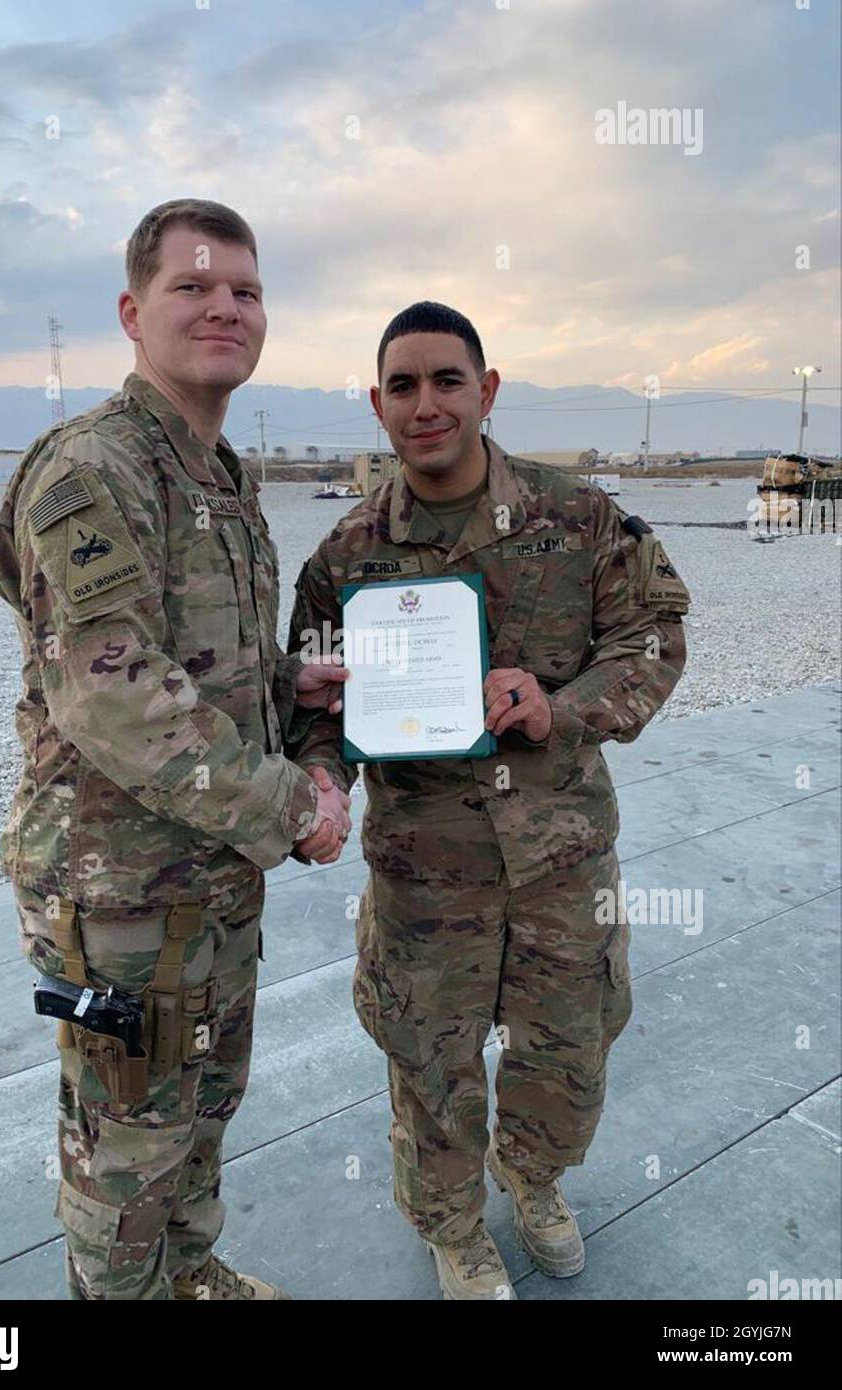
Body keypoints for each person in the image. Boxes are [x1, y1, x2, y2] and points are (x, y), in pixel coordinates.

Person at [287, 301, 691, 1300]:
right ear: (379, 405)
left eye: (446, 380)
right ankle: (454, 1227)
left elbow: (653, 637)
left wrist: (559, 706)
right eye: (402, 386)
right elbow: (310, 699)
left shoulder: (581, 517)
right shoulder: (342, 561)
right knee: (432, 1068)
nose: (426, 404)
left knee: (570, 1049)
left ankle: (537, 1176)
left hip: (562, 861)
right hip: (428, 878)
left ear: (487, 389)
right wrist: (323, 775)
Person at [0, 198, 350, 1301]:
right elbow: (118, 698)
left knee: (200, 1103)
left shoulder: (221, 474)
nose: (224, 308)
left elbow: (202, 655)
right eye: (194, 287)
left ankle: (186, 1278)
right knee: (128, 1145)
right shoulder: (93, 468)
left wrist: (293, 682)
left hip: (209, 878)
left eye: (244, 289)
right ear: (133, 311)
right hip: (123, 895)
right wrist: (298, 807)